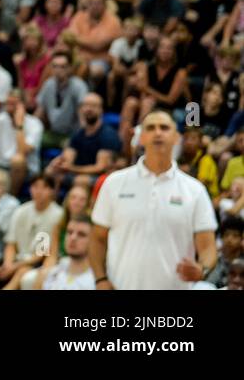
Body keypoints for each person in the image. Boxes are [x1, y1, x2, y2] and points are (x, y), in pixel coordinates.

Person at [91, 109, 218, 289]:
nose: (158, 132)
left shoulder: (195, 190)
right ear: (141, 137)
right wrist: (100, 279)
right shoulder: (114, 183)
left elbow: (207, 247)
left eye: (164, 127)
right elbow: (97, 239)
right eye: (150, 128)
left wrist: (202, 269)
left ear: (176, 137)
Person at [1, 174, 64, 289]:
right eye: (35, 186)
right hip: (16, 261)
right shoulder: (20, 211)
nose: (39, 191)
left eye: (44, 187)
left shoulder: (58, 215)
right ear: (30, 189)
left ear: (52, 191)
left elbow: (41, 253)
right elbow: (11, 243)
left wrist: (15, 266)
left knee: (22, 272)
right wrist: (8, 263)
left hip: (38, 264)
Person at [0, 89, 43, 194]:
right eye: (8, 103)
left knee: (17, 160)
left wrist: (19, 125)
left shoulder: (35, 124)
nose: (9, 107)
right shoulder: (0, 119)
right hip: (0, 166)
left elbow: (22, 152)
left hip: (26, 170)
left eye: (13, 104)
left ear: (23, 106)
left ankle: (11, 196)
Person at [46, 93, 120, 189]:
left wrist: (72, 168)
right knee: (50, 171)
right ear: (81, 109)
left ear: (101, 110)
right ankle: (53, 203)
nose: (89, 109)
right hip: (77, 172)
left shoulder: (108, 134)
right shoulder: (78, 133)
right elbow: (68, 157)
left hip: (99, 176)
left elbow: (100, 167)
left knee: (81, 180)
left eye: (93, 106)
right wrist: (59, 163)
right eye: (86, 105)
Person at [38, 216, 97, 290]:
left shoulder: (96, 281)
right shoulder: (53, 273)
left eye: (81, 234)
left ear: (93, 241)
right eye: (70, 232)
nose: (73, 238)